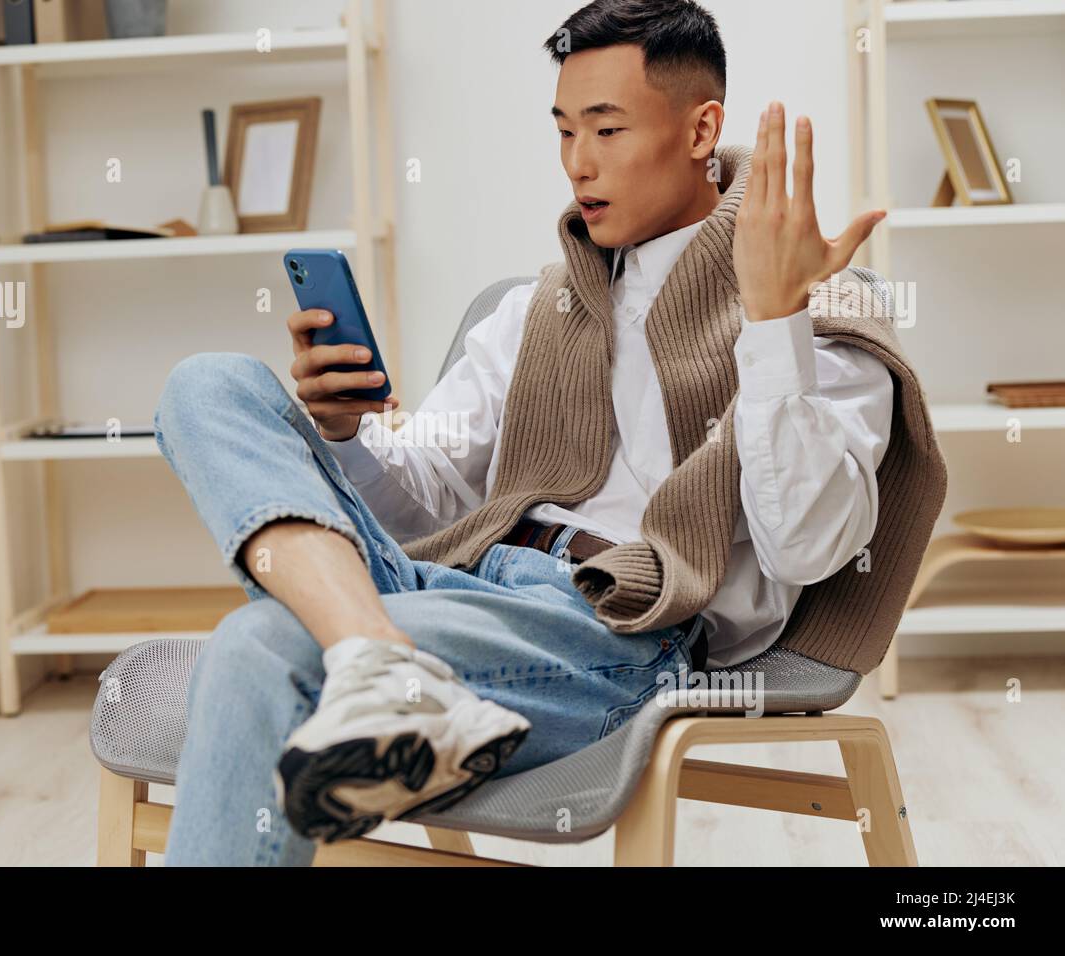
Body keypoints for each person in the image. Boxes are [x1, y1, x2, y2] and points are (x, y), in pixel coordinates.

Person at [157, 0, 907, 866]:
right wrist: (345, 434)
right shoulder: (537, 309)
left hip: (615, 630)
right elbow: (424, 503)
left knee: (261, 644)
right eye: (563, 132)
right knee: (207, 384)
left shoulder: (818, 307)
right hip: (458, 581)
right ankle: (380, 661)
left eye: (607, 129)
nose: (578, 165)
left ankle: (378, 665)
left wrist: (774, 321)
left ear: (702, 129)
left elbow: (809, 547)